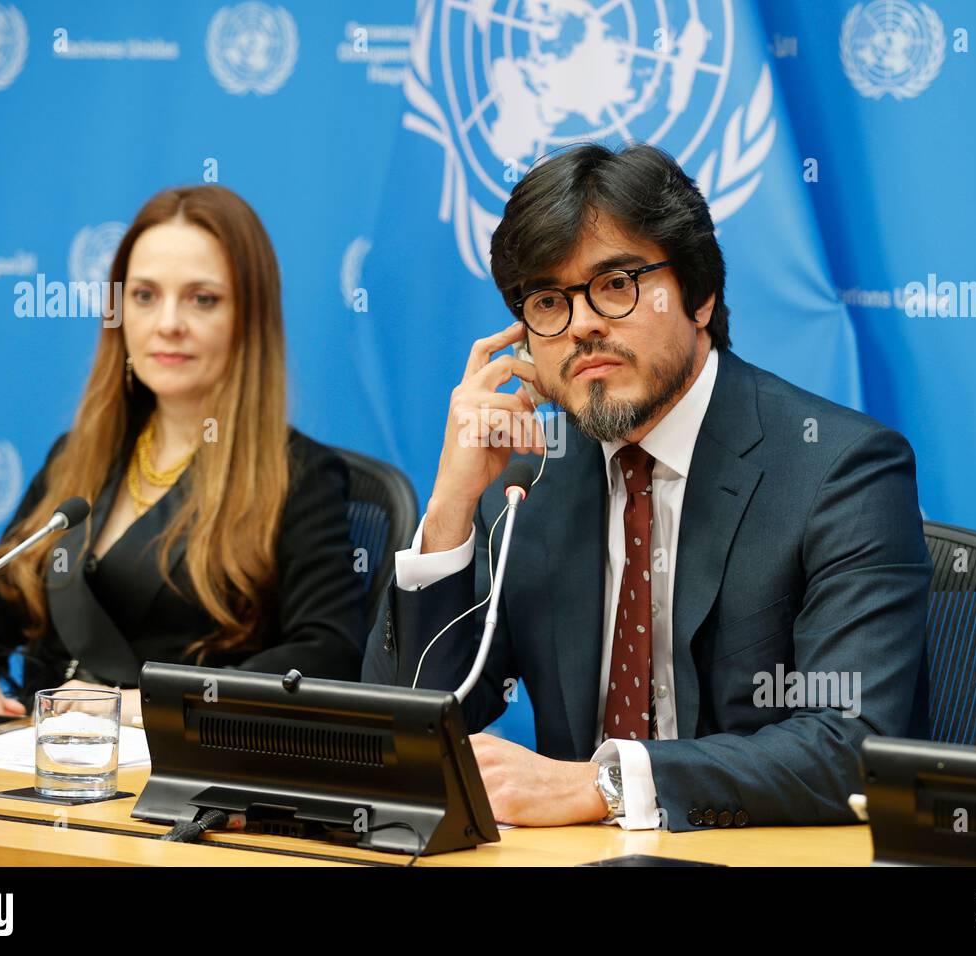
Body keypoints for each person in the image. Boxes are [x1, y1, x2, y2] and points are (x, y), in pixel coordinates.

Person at [363, 143, 931, 831]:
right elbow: (408, 734)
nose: (582, 324)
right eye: (549, 300)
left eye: (616, 284)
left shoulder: (839, 468)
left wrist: (609, 783)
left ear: (698, 296)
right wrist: (451, 504)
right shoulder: (530, 478)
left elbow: (854, 743)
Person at [0, 185, 365, 725]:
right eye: (144, 296)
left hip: (186, 786)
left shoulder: (300, 476)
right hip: (37, 765)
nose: (168, 323)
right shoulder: (77, 455)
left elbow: (327, 654)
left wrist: (151, 706)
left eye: (203, 299)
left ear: (248, 318)